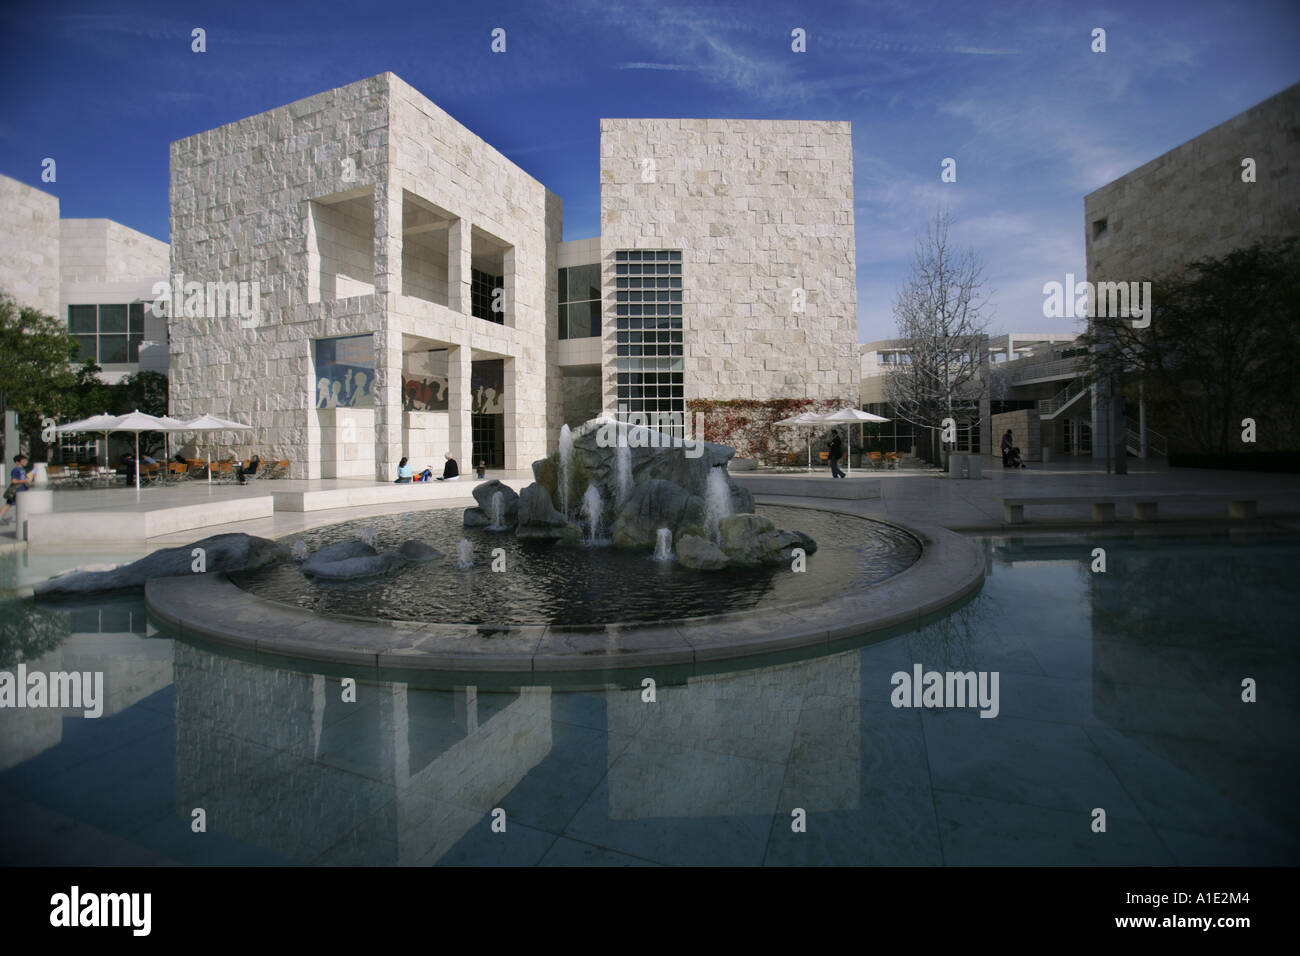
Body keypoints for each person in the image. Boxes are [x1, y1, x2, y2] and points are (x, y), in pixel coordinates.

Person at [0, 454, 34, 524]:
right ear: (17, 462)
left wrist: (28, 480)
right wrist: (25, 480)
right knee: (9, 504)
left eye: (25, 460)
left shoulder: (22, 469)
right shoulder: (16, 470)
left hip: (22, 490)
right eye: (23, 461)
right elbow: (14, 481)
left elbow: (23, 479)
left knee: (9, 504)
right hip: (16, 490)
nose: (25, 462)